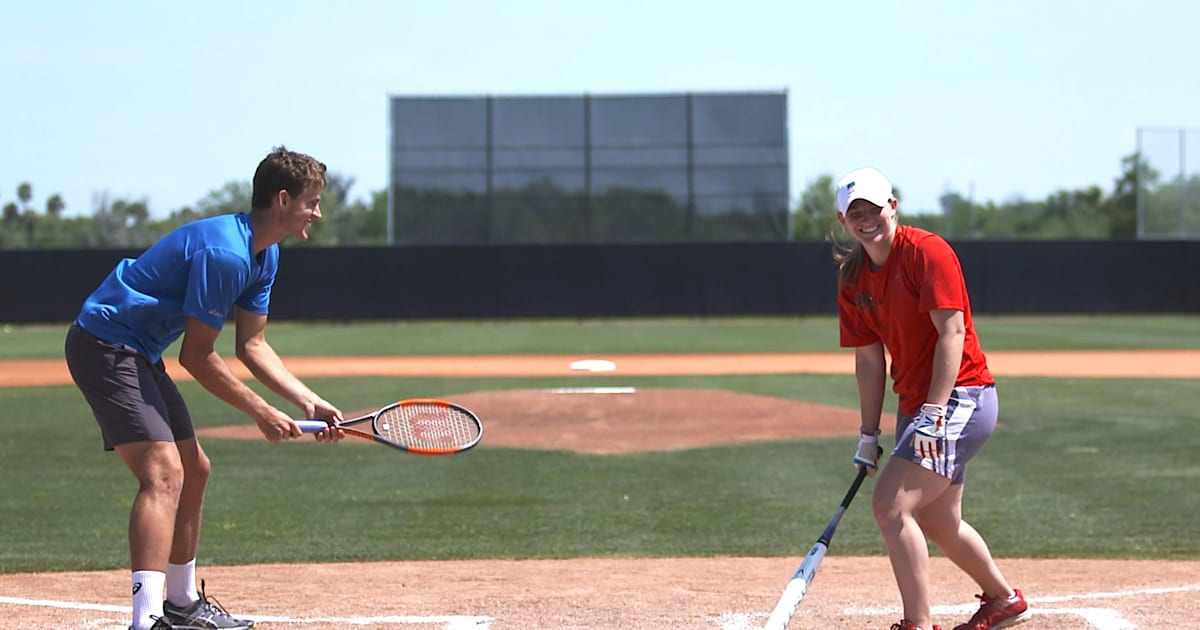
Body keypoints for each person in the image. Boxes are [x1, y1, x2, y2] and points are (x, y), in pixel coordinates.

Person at [64, 146, 346, 630]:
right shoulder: (226, 253)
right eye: (311, 201)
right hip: (105, 344)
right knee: (164, 472)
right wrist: (261, 411)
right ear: (282, 199)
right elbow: (196, 355)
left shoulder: (264, 254)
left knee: (195, 468)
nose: (316, 213)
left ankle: (181, 602)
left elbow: (253, 344)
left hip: (139, 350)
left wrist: (307, 401)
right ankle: (146, 618)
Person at [832, 167, 1031, 630]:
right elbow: (868, 360)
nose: (867, 220)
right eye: (855, 213)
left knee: (890, 505)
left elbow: (952, 332)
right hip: (917, 404)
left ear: (893, 207)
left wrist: (936, 413)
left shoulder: (927, 252)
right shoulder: (853, 277)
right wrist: (867, 435)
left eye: (874, 209)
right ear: (844, 221)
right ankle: (1003, 601)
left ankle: (917, 624)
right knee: (939, 521)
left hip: (962, 397)